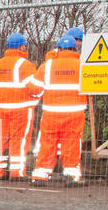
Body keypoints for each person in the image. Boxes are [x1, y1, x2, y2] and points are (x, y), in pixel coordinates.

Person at [29, 33, 87, 186]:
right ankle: (71, 174)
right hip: (75, 113)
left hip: (51, 113)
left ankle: (41, 174)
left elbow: (33, 87)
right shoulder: (83, 64)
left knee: (48, 143)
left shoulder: (48, 65)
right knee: (72, 142)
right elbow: (94, 87)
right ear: (76, 49)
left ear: (58, 49)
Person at [0, 33, 41, 180]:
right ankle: (16, 172)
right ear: (22, 47)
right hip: (22, 108)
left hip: (3, 108)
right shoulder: (26, 65)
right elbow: (34, 88)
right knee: (20, 139)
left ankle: (1, 170)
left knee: (3, 138)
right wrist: (37, 98)